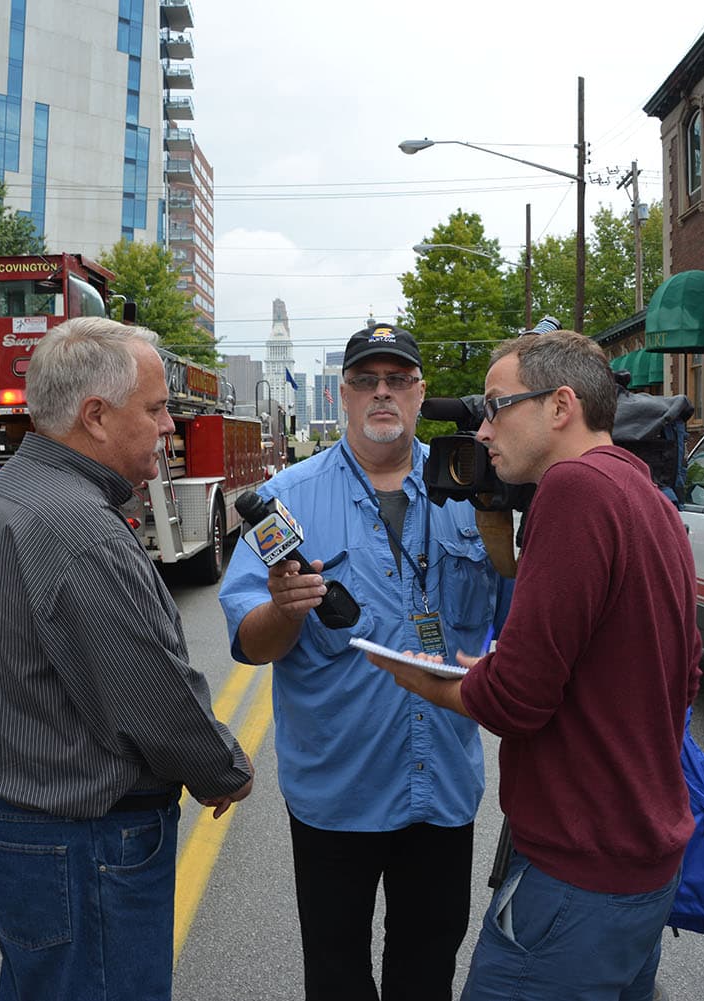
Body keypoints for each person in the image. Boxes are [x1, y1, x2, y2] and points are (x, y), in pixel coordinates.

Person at [364, 330, 703, 1001]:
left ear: (560, 406)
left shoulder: (574, 488)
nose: (484, 431)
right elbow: (682, 672)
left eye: (496, 406)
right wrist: (512, 665)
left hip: (574, 875)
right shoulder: (644, 492)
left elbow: (517, 699)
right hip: (643, 871)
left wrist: (425, 680)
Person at [0, 316, 253, 1001]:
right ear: (97, 416)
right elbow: (151, 695)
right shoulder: (78, 528)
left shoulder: (11, 493)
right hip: (83, 840)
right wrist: (222, 769)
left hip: (18, 820)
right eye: (156, 408)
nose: (169, 425)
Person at [218, 322, 511, 1001]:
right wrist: (284, 609)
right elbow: (251, 643)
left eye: (398, 380)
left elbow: (520, 614)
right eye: (366, 381)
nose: (383, 392)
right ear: (343, 395)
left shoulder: (477, 489)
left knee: (427, 970)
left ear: (420, 393)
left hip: (441, 789)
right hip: (336, 794)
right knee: (337, 974)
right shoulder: (288, 498)